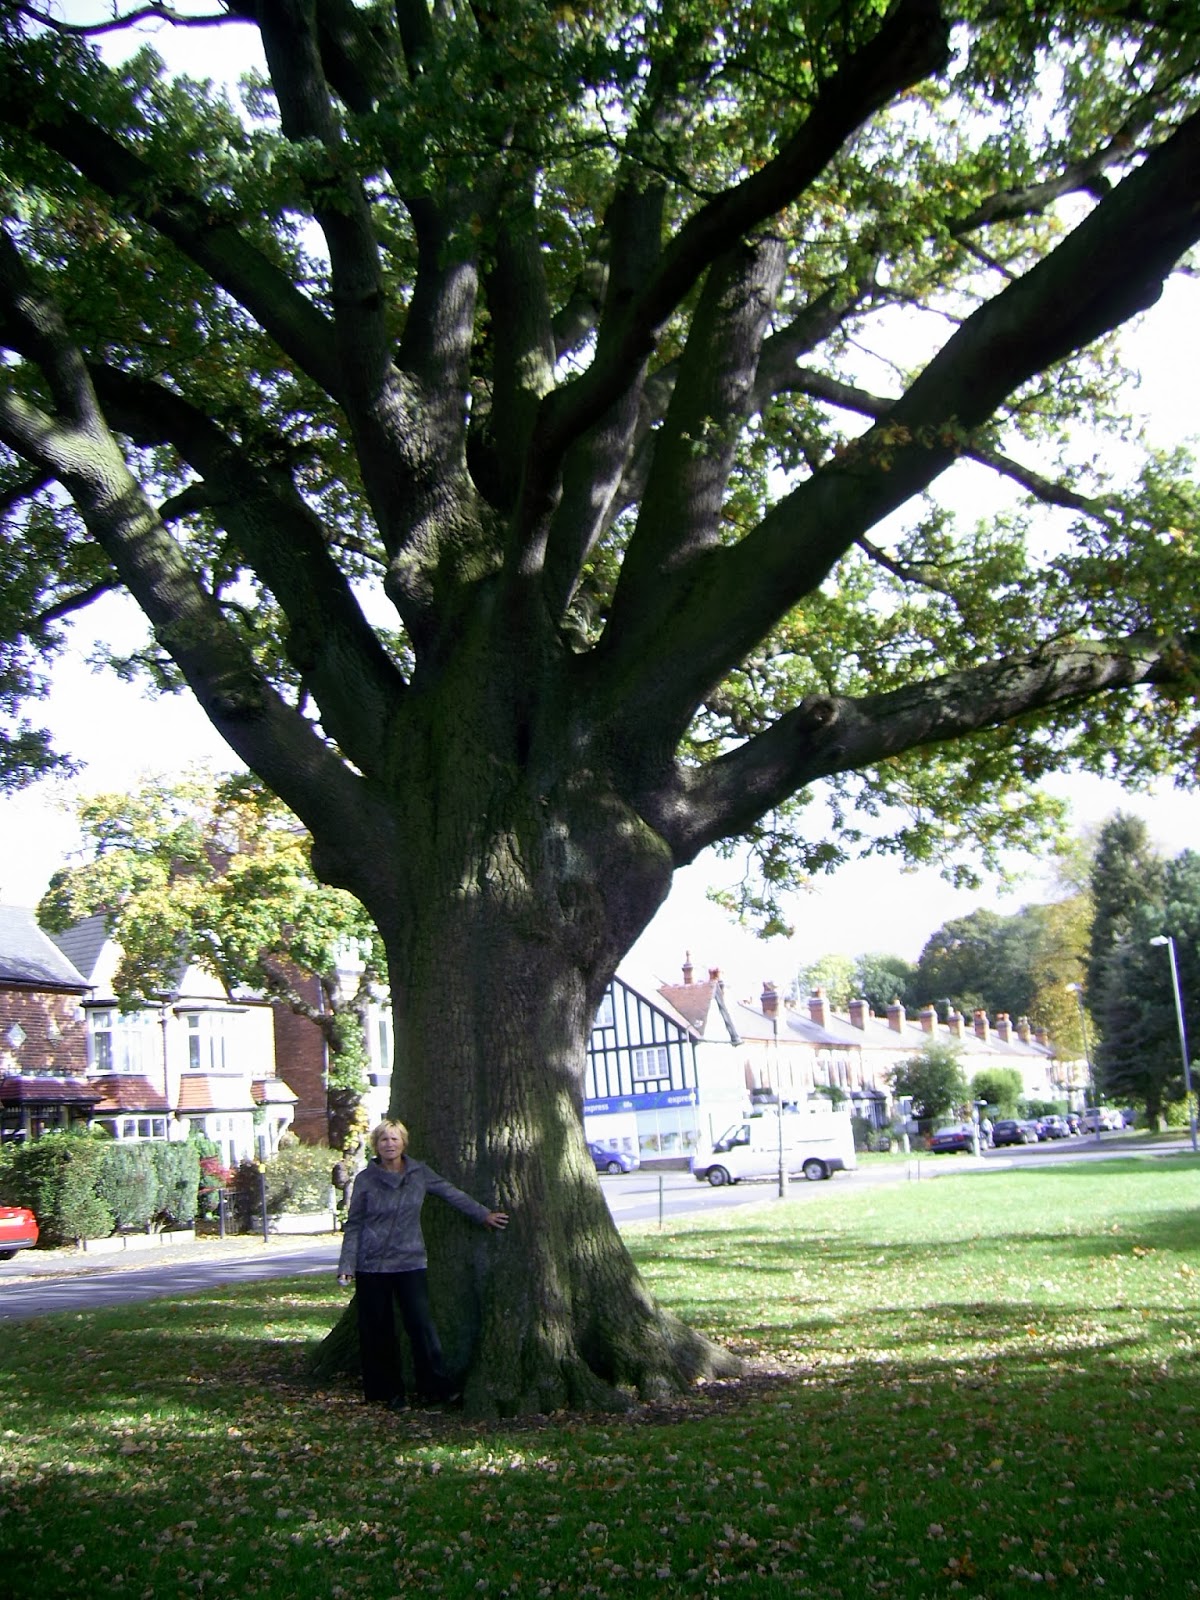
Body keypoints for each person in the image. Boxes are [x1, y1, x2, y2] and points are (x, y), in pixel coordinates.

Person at [336, 1119, 508, 1409]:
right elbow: (354, 1224)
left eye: (394, 1139)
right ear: (376, 1146)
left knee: (421, 1326)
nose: (389, 1145)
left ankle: (437, 1388)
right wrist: (346, 1264)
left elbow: (451, 1193)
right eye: (383, 1140)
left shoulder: (419, 1173)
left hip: (410, 1262)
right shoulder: (366, 1179)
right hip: (372, 1265)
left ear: (404, 1143)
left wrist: (483, 1215)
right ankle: (388, 1392)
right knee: (378, 1330)